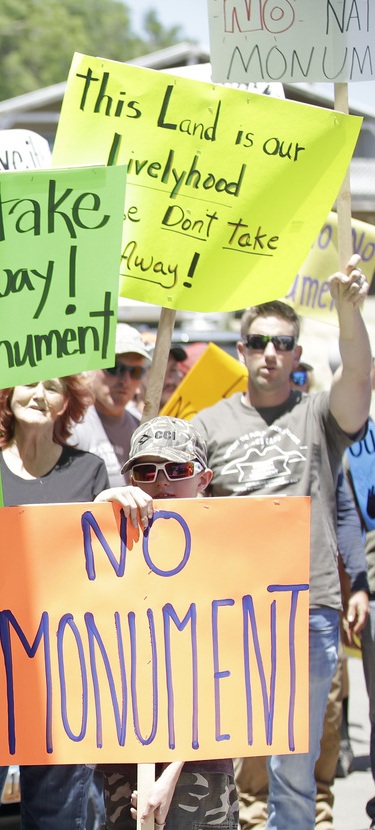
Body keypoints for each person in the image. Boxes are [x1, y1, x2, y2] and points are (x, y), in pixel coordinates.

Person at [192, 258, 372, 830]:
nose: (269, 352)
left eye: (282, 343)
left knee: (293, 772)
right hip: (227, 615)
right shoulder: (207, 426)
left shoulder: (318, 415)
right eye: (258, 342)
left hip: (306, 613)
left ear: (296, 356)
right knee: (219, 760)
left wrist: (349, 313)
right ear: (241, 351)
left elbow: (360, 382)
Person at [92, 416, 238, 830]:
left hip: (201, 769)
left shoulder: (229, 553)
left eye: (177, 470)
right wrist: (99, 509)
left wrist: (171, 773)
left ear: (203, 478)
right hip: (125, 765)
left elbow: (231, 678)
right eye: (146, 471)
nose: (161, 482)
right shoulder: (114, 545)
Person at [0, 374, 108, 830]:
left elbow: (99, 566)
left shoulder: (90, 471)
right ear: (7, 395)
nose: (38, 394)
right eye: (26, 383)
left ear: (66, 404)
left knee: (56, 817)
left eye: (52, 387)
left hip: (64, 668)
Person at [71, 323, 151, 487]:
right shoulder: (70, 425)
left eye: (136, 372)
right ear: (90, 367)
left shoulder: (141, 428)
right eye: (115, 368)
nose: (126, 381)